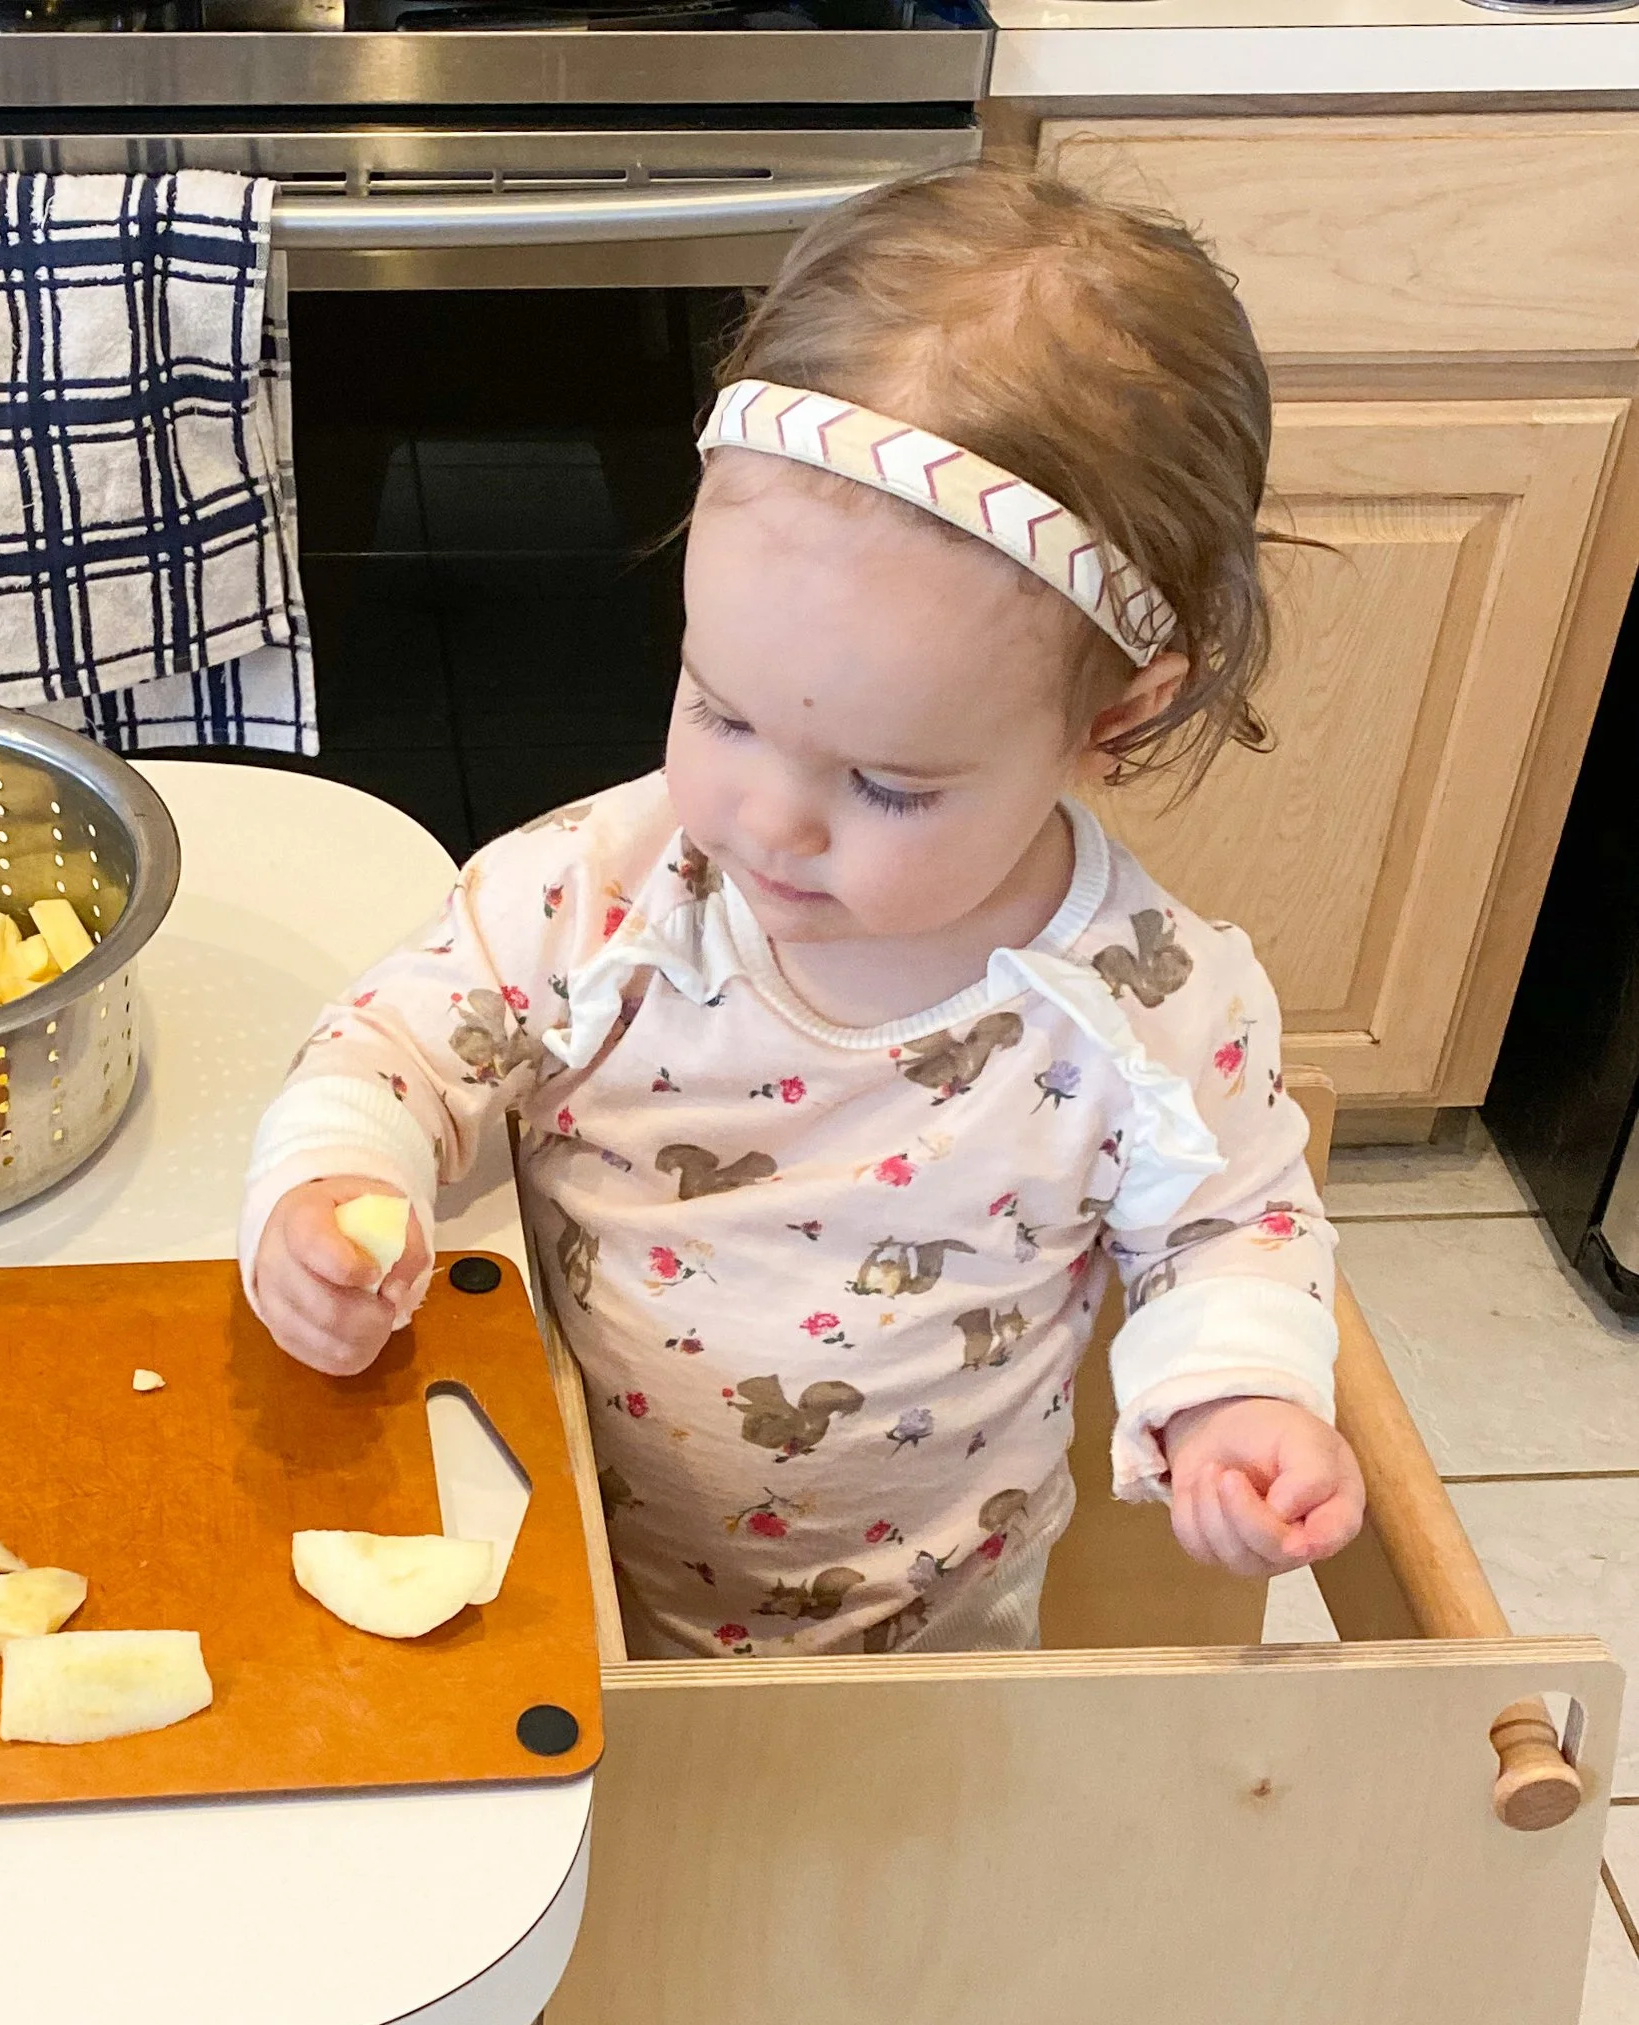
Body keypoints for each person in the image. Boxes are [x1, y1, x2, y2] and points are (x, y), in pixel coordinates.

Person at [240, 163, 1365, 1658]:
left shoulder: (1144, 1002)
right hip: (585, 1583)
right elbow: (393, 1044)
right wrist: (323, 1194)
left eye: (888, 785)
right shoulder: (612, 894)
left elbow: (1230, 1225)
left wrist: (1237, 1393)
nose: (767, 821)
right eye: (720, 708)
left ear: (1111, 717)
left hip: (945, 1630)